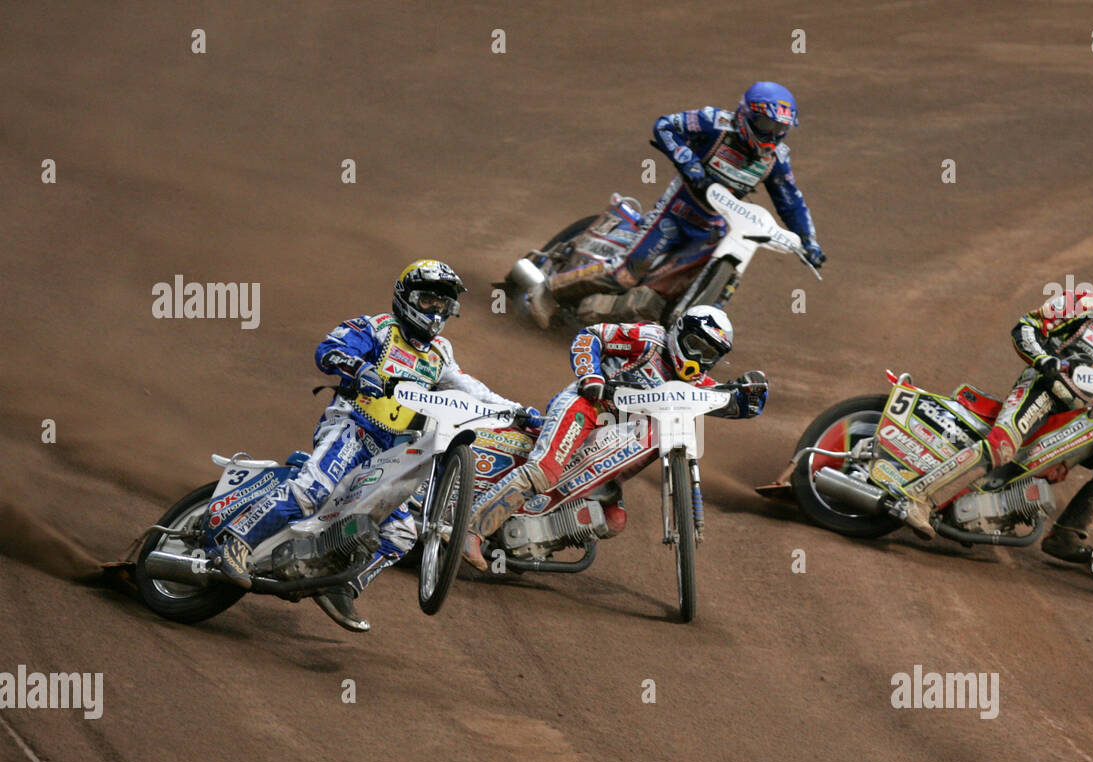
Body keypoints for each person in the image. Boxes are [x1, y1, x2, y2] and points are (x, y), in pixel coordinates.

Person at [210, 259, 541, 631]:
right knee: (312, 491)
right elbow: (329, 349)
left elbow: (472, 389)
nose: (435, 310)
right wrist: (359, 368)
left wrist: (518, 411)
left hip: (391, 454)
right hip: (352, 427)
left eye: (442, 304)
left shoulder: (440, 354)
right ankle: (235, 542)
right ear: (406, 298)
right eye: (428, 300)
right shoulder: (378, 328)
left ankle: (339, 586)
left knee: (402, 534)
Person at [893, 262, 1093, 554]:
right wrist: (1043, 359)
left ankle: (1066, 535)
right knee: (1003, 446)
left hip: (1081, 416)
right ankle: (915, 497)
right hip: (1044, 388)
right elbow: (1027, 325)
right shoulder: (1085, 304)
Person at [463, 305, 769, 569]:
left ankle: (528, 542)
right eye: (695, 345)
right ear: (679, 332)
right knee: (545, 470)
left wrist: (752, 394)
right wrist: (591, 376)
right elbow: (591, 336)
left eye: (709, 355)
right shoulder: (649, 339)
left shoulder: (696, 383)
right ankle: (471, 530)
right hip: (589, 406)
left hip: (619, 437)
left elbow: (735, 405)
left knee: (614, 519)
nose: (698, 358)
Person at [526, 82, 825, 328]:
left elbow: (791, 201)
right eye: (766, 124)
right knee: (625, 274)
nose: (772, 133)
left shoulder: (776, 158)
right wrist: (690, 165)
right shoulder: (714, 122)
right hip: (676, 213)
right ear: (746, 115)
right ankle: (549, 290)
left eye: (779, 127)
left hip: (714, 229)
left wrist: (809, 243)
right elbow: (665, 126)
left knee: (676, 287)